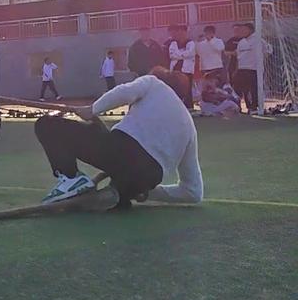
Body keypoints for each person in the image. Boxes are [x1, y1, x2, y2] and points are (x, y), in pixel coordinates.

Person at [35, 66, 202, 209]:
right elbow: (193, 192)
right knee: (115, 188)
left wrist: (93, 109)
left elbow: (125, 92)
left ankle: (72, 178)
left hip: (123, 151)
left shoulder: (154, 83)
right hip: (146, 179)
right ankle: (120, 193)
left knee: (47, 126)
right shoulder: (190, 128)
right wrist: (148, 192)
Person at [232, 22, 272, 114]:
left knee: (253, 89)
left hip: (253, 69)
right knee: (240, 89)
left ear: (250, 30)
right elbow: (239, 57)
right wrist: (236, 69)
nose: (242, 31)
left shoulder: (258, 40)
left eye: (244, 29)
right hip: (242, 69)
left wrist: (261, 62)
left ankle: (254, 107)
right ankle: (240, 107)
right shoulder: (241, 42)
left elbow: (268, 51)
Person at [167, 25, 196, 108]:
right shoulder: (173, 43)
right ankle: (177, 108)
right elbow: (172, 55)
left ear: (186, 32)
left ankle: (189, 107)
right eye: (179, 32)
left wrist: (179, 54)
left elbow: (190, 53)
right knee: (176, 89)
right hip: (176, 70)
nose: (181, 34)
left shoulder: (191, 43)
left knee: (187, 90)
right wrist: (183, 54)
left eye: (183, 32)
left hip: (187, 70)